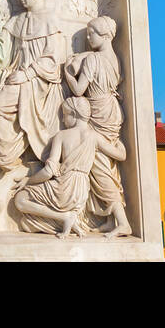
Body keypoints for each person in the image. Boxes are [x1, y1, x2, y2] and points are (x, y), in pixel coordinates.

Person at [13, 95, 125, 237]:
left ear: (74, 114)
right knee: (28, 222)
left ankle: (64, 217)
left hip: (63, 187)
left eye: (65, 115)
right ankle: (67, 218)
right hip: (81, 190)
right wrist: (120, 143)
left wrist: (27, 181)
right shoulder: (94, 136)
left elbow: (48, 171)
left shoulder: (61, 136)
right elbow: (121, 156)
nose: (62, 120)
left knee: (20, 199)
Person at [0, 0, 66, 169]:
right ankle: (7, 157)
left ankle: (14, 157)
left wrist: (27, 74)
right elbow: (2, 54)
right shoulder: (18, 21)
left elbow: (54, 59)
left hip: (39, 81)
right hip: (18, 76)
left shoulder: (50, 20)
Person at [64, 15, 131, 237]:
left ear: (104, 35)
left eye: (91, 33)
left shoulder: (93, 60)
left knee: (100, 167)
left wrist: (67, 73)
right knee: (105, 166)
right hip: (111, 111)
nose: (88, 37)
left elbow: (78, 90)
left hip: (98, 112)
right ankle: (112, 219)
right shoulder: (115, 59)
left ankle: (123, 223)